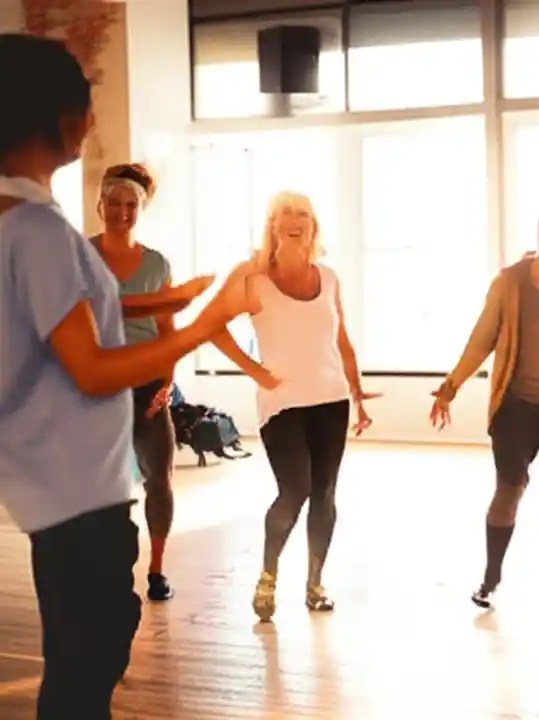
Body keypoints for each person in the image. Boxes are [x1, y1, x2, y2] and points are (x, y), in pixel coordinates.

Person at [0, 33, 254, 719]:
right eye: (84, 105)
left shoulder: (20, 221)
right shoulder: (43, 234)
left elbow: (91, 310)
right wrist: (206, 322)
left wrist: (173, 302)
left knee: (84, 656)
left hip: (60, 484)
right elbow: (88, 366)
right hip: (77, 489)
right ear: (56, 119)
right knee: (92, 658)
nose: (90, 122)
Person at [430, 196, 539, 609]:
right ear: (538, 228)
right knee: (510, 488)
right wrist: (450, 386)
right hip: (517, 406)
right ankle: (490, 576)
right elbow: (482, 338)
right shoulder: (510, 282)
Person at [212, 190, 378, 623]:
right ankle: (268, 574)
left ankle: (315, 583)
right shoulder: (254, 278)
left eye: (302, 213)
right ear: (271, 224)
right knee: (295, 489)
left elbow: (339, 339)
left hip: (331, 398)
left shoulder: (329, 277)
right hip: (281, 403)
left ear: (313, 225)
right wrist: (256, 371)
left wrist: (357, 394)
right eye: (285, 212)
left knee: (325, 493)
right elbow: (213, 327)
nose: (294, 219)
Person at [88, 162, 181, 603]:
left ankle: (157, 570)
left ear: (140, 210)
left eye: (132, 205)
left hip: (147, 386)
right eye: (115, 203)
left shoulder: (157, 263)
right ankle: (109, 568)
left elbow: (168, 332)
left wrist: (167, 381)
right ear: (100, 204)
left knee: (159, 479)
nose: (122, 211)